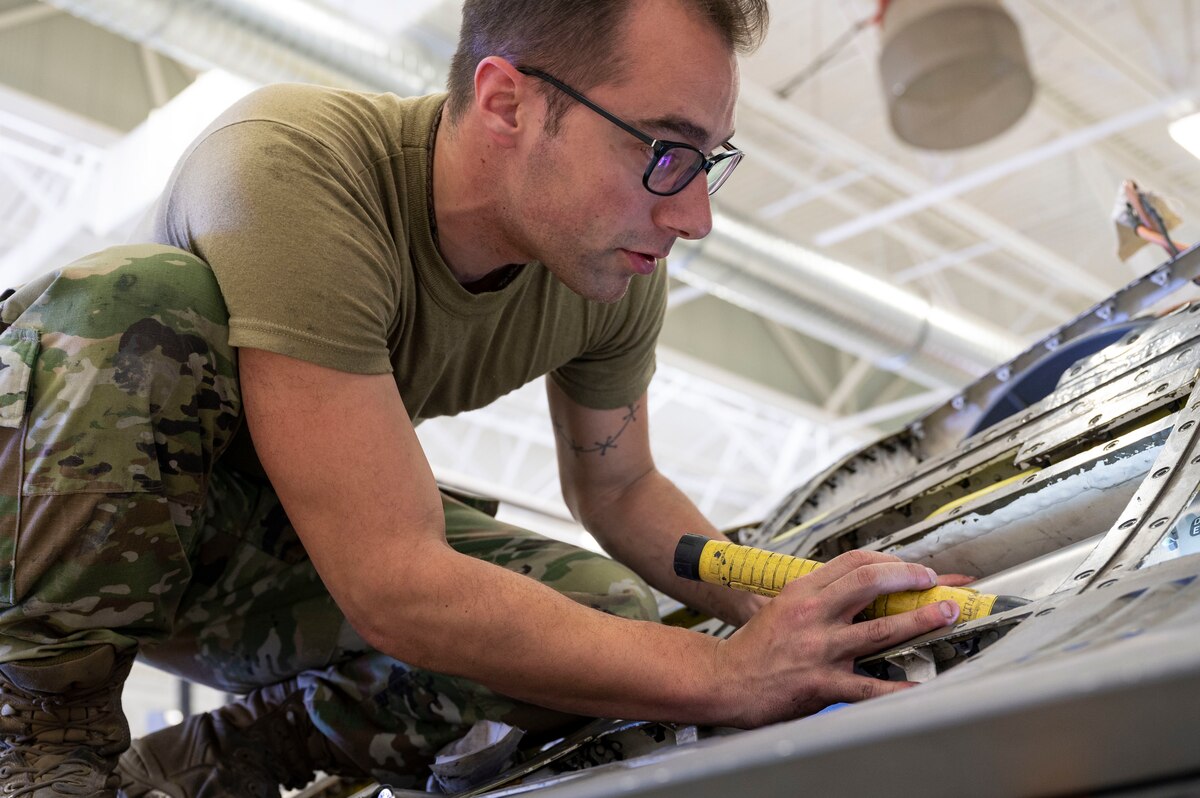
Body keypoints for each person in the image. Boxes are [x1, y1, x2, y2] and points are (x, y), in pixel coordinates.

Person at [0, 0, 965, 795]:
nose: (695, 215)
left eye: (709, 161)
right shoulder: (295, 164)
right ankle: (44, 748)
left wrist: (794, 600)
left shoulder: (611, 268)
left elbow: (623, 492)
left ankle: (205, 766)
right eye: (664, 153)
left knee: (614, 635)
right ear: (506, 102)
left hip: (251, 542)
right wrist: (723, 676)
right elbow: (393, 583)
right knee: (140, 303)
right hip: (54, 517)